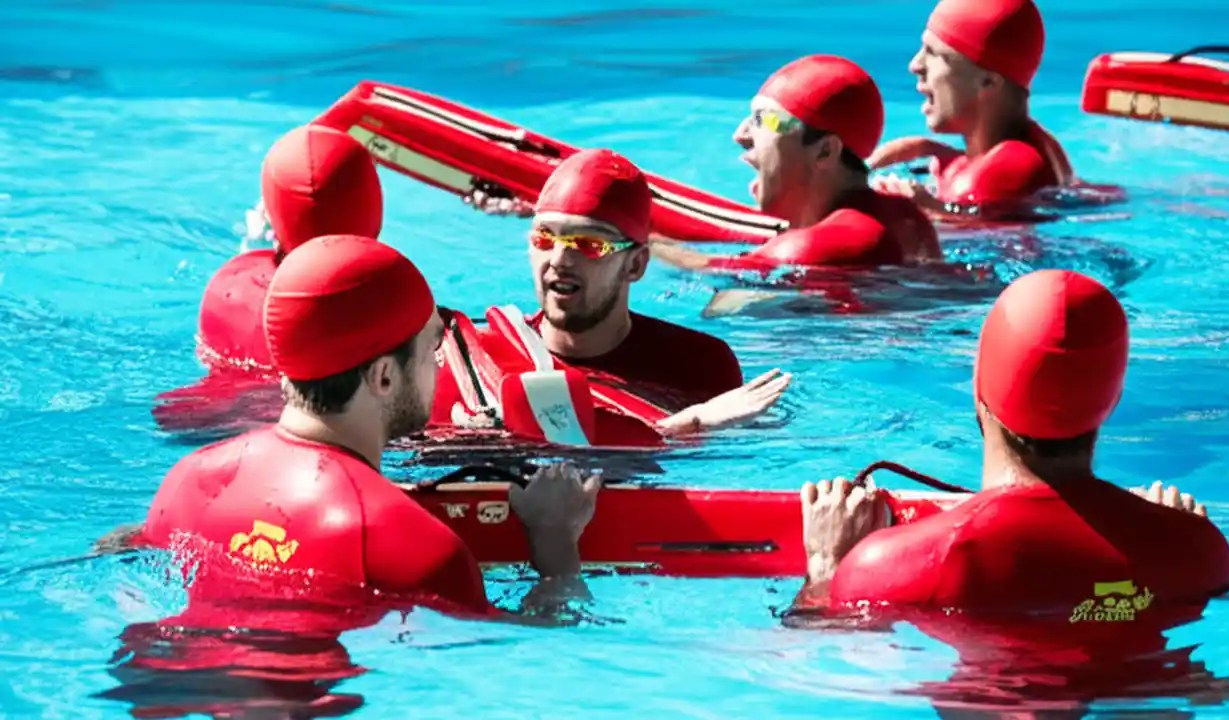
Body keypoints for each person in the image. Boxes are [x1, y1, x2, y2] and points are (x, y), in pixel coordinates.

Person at [135, 234, 600, 619]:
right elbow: (534, 646)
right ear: (383, 376)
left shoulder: (186, 483)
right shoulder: (413, 548)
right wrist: (556, 552)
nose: (439, 367)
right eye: (433, 347)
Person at [796, 269, 1229, 617]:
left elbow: (820, 659)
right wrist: (1173, 534)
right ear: (1113, 398)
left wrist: (826, 569)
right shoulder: (1200, 553)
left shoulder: (889, 566)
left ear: (978, 387)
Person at [433, 148, 791, 436]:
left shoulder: (700, 367)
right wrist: (688, 426)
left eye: (588, 243)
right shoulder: (474, 361)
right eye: (544, 238)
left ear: (635, 266)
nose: (559, 259)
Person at [648, 54, 942, 276]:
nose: (740, 135)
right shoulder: (908, 219)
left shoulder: (814, 249)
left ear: (825, 151)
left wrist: (638, 239)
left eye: (762, 120)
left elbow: (724, 304)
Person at [195, 123, 383, 373]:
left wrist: (277, 220)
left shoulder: (225, 289)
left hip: (200, 409)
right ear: (373, 207)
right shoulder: (388, 314)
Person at [868, 0, 1077, 221]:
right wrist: (933, 152)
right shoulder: (1032, 145)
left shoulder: (1012, 166)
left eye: (933, 53)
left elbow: (983, 238)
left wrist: (920, 211)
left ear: (988, 81)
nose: (915, 65)